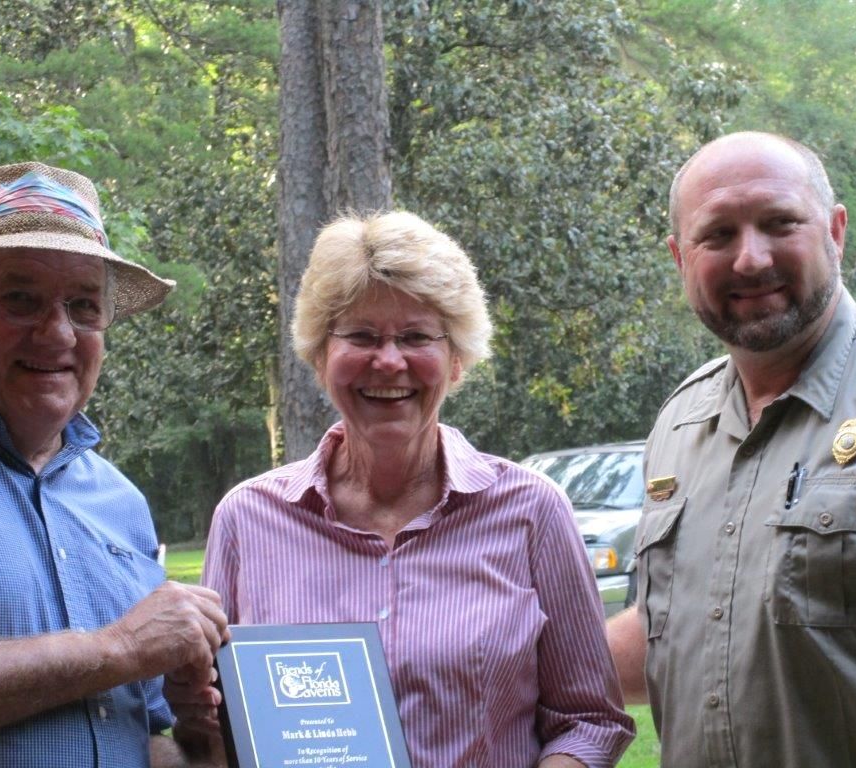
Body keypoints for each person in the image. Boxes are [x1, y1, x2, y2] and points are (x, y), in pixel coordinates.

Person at [167, 211, 634, 767]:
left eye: (416, 336)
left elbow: (589, 721)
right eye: (361, 335)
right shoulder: (248, 518)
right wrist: (198, 714)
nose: (389, 361)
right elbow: (221, 734)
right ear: (320, 357)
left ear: (456, 361)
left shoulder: (531, 510)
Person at [0, 161, 229, 767]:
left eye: (84, 306)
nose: (58, 332)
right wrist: (122, 647)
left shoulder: (118, 502)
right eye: (22, 299)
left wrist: (206, 740)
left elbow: (138, 735)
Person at [607, 131, 856, 767]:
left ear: (835, 231)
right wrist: (492, 664)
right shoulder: (679, 423)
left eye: (780, 223)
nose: (749, 259)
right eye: (717, 235)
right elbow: (679, 627)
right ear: (679, 257)